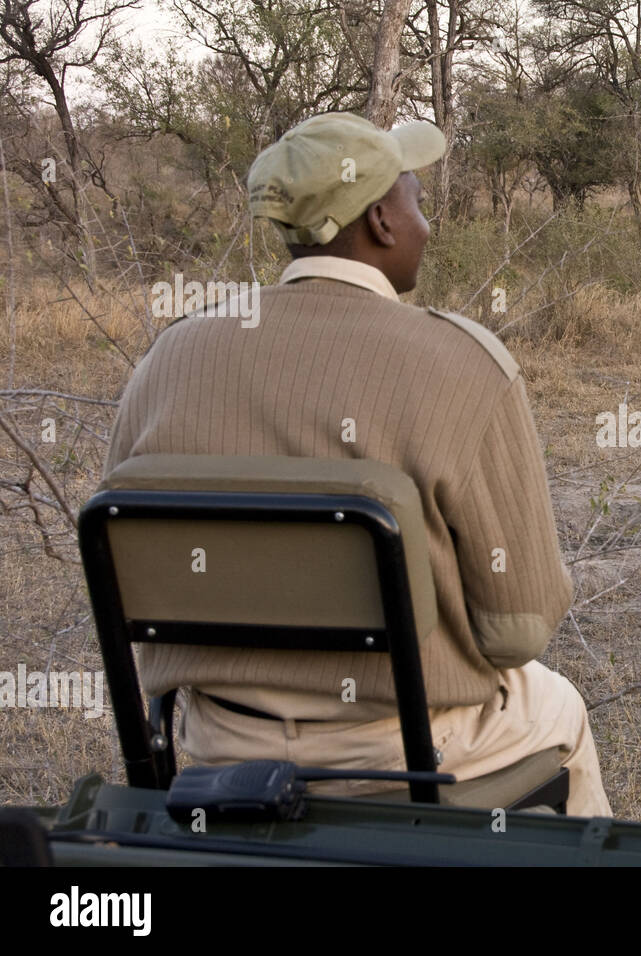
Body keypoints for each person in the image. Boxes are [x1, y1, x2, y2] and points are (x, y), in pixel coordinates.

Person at [101, 111, 612, 816]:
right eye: (417, 201)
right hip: (408, 750)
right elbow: (518, 630)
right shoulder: (463, 363)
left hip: (224, 744)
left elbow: (127, 571)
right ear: (380, 220)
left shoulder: (172, 355)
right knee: (560, 703)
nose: (427, 224)